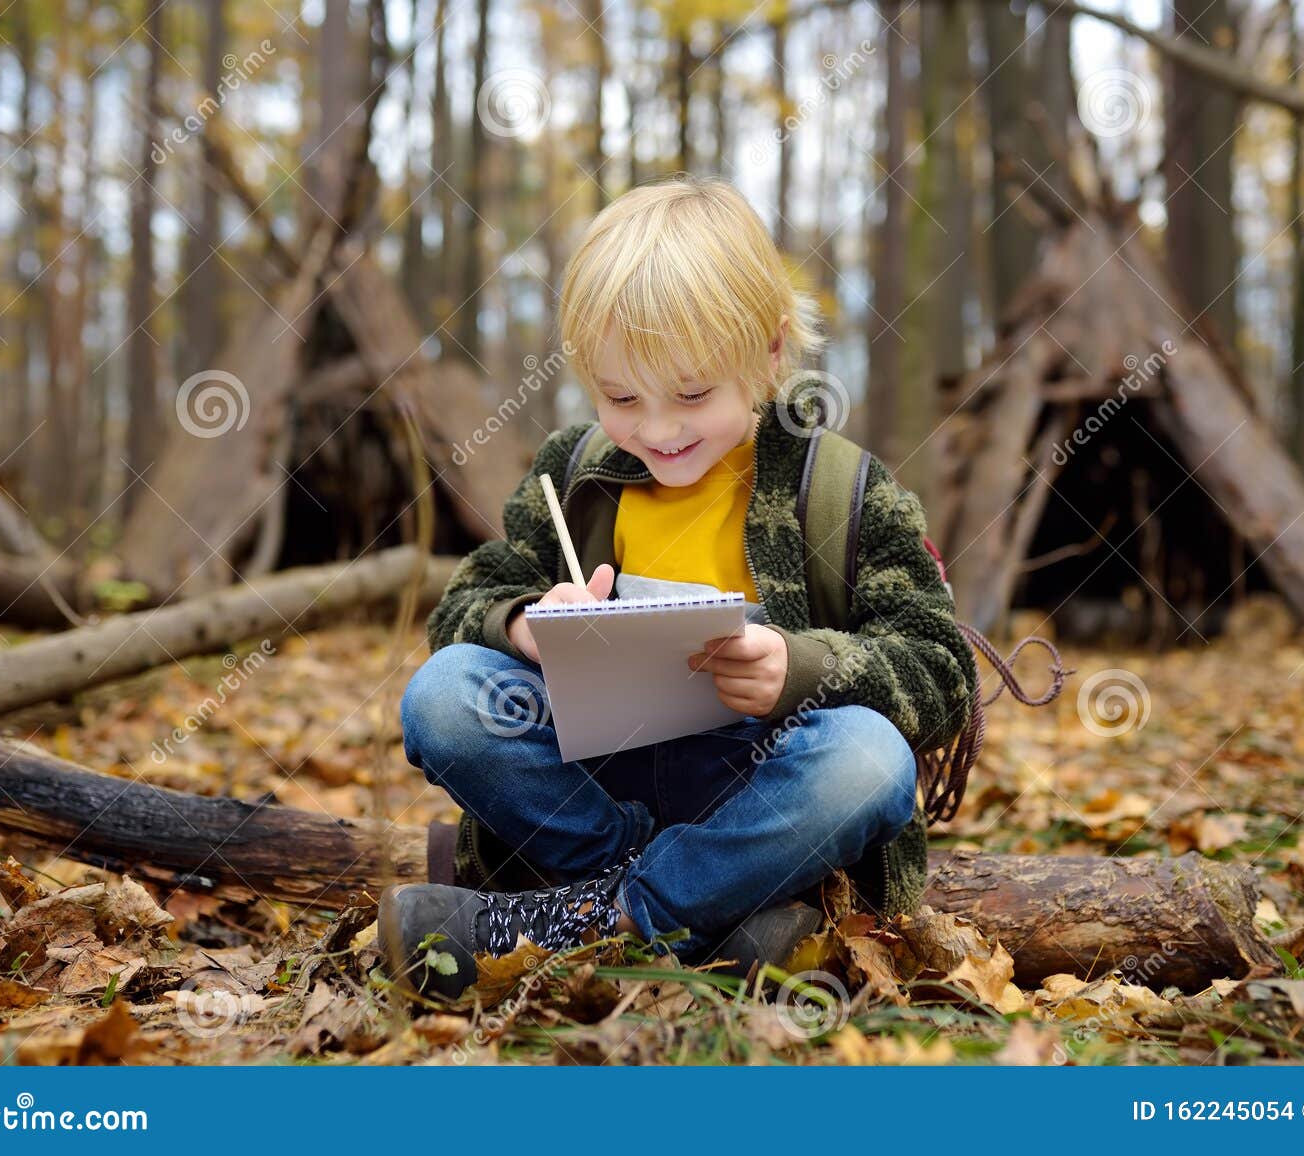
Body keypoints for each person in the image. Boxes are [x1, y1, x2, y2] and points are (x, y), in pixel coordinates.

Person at [382, 175, 977, 1001]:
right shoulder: (578, 474)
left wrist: (798, 668)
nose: (657, 429)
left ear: (769, 352)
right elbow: (462, 606)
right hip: (593, 782)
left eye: (693, 395)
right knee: (443, 695)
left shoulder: (838, 489)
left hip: (761, 789)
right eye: (622, 396)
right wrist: (525, 624)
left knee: (870, 762)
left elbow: (941, 670)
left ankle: (594, 917)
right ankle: (702, 912)